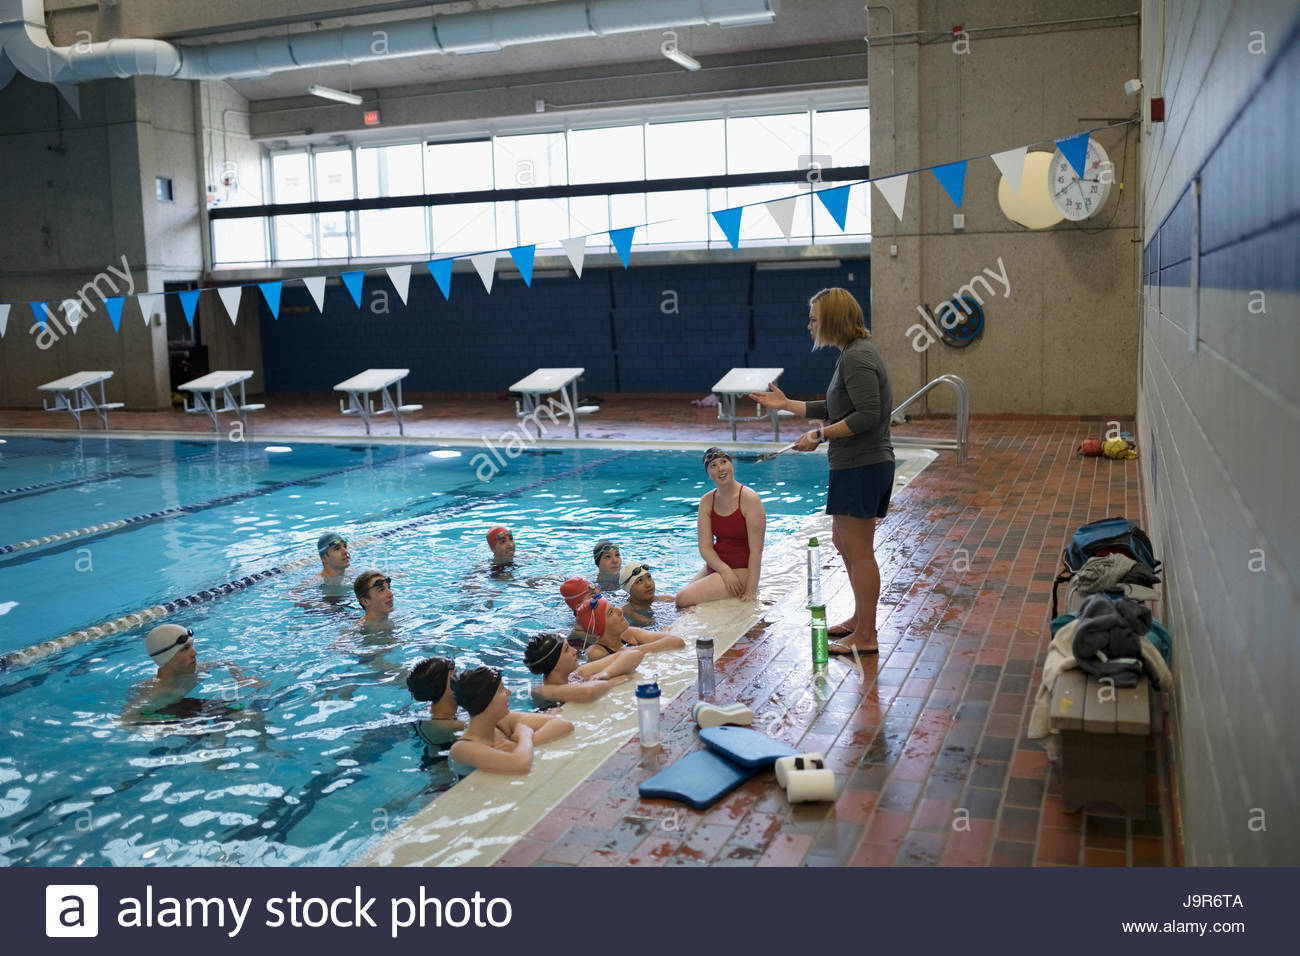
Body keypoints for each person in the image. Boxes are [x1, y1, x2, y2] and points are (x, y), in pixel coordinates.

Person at [748, 287, 893, 655]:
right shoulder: (851, 354)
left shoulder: (857, 358)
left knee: (859, 550)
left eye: (814, 318)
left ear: (831, 319)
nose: (809, 325)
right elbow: (834, 406)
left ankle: (867, 634)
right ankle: (861, 621)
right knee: (843, 542)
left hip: (863, 464)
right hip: (855, 464)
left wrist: (819, 434)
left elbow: (866, 415)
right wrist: (786, 405)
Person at [675, 448, 767, 607]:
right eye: (713, 466)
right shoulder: (707, 500)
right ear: (709, 473)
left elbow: (756, 551)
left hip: (742, 570)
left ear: (731, 465)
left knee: (682, 598)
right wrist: (724, 571)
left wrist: (751, 591)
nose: (720, 469)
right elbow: (705, 547)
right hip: (717, 566)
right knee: (678, 603)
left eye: (724, 462)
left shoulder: (749, 499)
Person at [122, 624, 261, 723]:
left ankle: (265, 749)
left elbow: (225, 662)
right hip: (164, 714)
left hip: (187, 707)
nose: (195, 653)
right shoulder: (154, 693)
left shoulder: (197, 672)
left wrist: (241, 678)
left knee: (254, 717)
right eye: (185, 649)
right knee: (211, 735)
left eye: (192, 646)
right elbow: (124, 720)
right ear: (167, 657)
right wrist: (163, 725)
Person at [447, 667, 574, 774]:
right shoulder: (462, 749)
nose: (508, 692)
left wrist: (518, 744)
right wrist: (525, 735)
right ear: (488, 701)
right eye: (501, 690)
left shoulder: (503, 722)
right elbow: (520, 764)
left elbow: (563, 724)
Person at [524, 632, 641, 706]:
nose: (575, 651)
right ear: (554, 665)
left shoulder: (575, 675)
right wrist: (611, 682)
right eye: (567, 650)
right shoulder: (541, 691)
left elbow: (634, 654)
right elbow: (587, 692)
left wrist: (606, 673)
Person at [575, 597, 685, 661]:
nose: (619, 611)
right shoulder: (596, 653)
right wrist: (635, 651)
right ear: (600, 626)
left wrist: (630, 651)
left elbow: (677, 641)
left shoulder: (628, 633)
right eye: (611, 612)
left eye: (614, 606)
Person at [407, 656, 463, 747]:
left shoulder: (428, 711)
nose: (463, 679)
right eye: (456, 675)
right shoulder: (452, 726)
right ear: (449, 686)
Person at [619, 560, 675, 628]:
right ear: (629, 589)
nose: (648, 584)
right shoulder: (627, 610)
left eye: (649, 577)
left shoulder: (666, 599)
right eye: (640, 581)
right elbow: (653, 624)